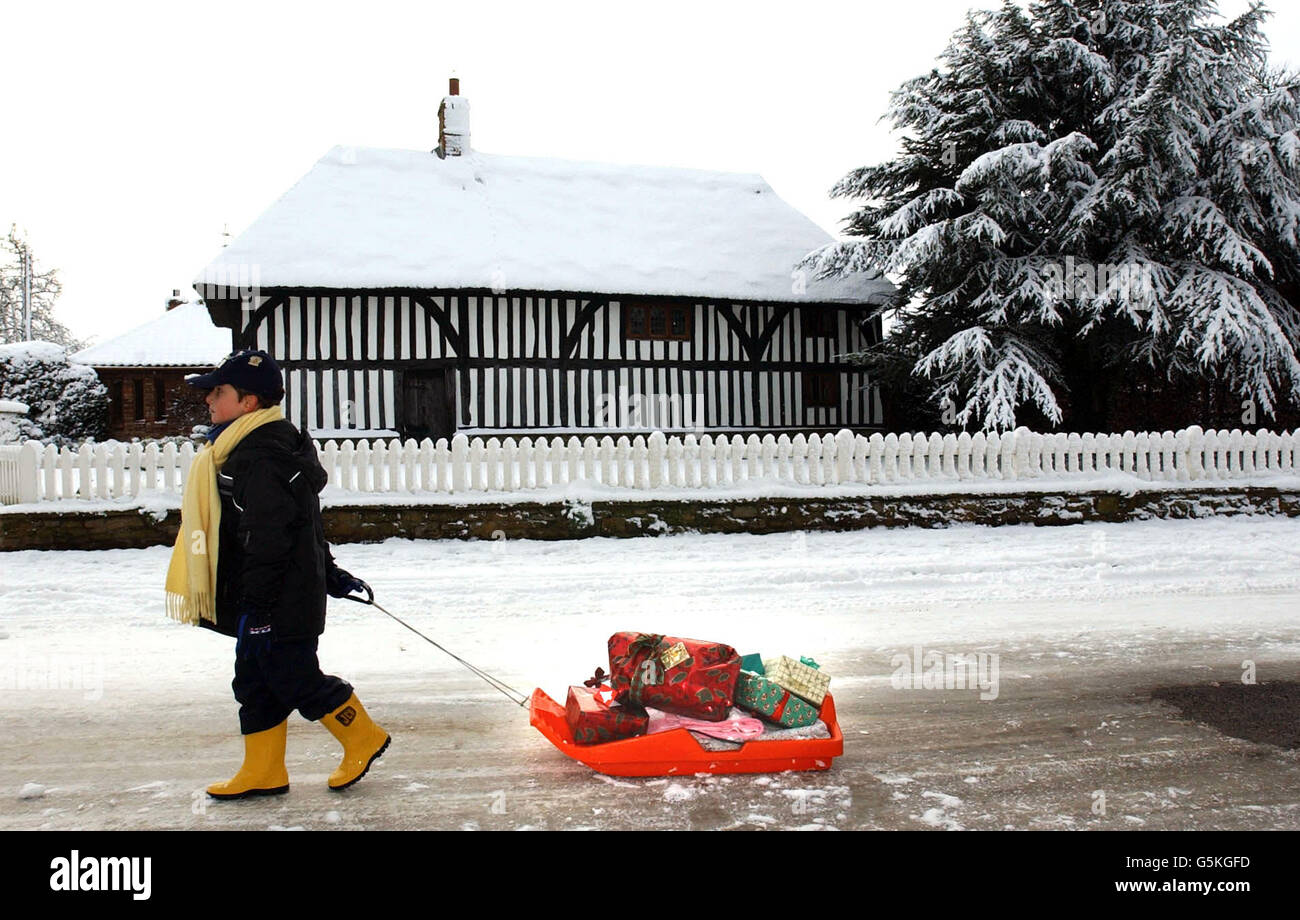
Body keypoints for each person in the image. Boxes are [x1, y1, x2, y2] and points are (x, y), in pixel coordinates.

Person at [163, 348, 390, 798]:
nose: (209, 400)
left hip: (280, 598)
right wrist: (332, 573)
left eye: (219, 392)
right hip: (275, 594)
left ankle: (362, 735)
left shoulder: (262, 456)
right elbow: (303, 525)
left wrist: (261, 609)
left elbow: (270, 539)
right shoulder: (247, 448)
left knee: (294, 677)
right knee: (253, 682)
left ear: (249, 401)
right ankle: (263, 770)